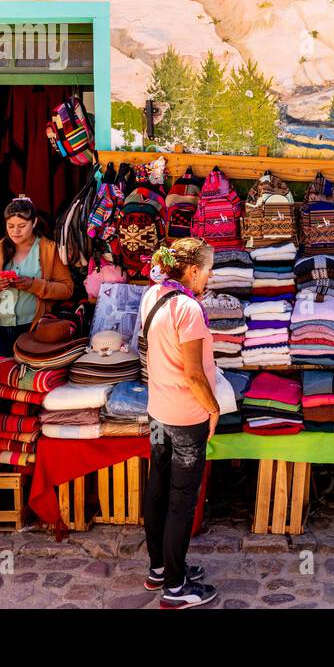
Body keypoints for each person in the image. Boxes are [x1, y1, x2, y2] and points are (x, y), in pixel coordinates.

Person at [138, 237, 221, 609]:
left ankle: (160, 568)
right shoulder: (188, 308)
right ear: (191, 271)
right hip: (187, 416)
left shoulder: (153, 294)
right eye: (206, 270)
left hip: (159, 410)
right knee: (181, 499)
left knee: (158, 488)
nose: (209, 277)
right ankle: (175, 586)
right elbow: (194, 375)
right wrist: (214, 409)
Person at [0, 196, 75, 357]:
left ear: (34, 223)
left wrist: (33, 285)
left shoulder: (49, 250)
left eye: (22, 226)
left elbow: (67, 289)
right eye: (10, 226)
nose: (15, 231)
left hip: (33, 328)